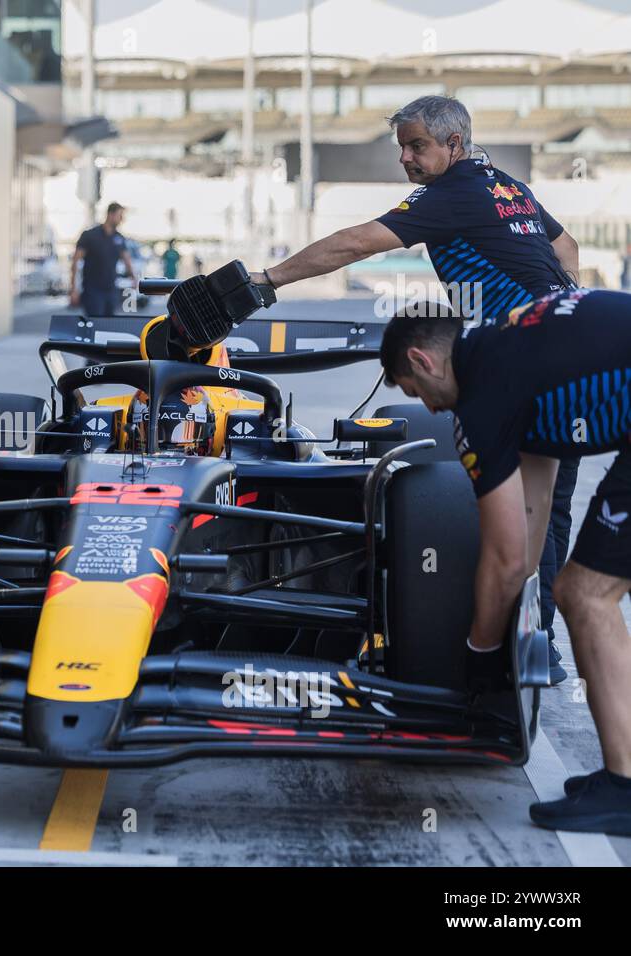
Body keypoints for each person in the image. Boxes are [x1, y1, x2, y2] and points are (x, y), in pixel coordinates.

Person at [240, 95, 580, 684]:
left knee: (522, 512)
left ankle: (520, 646)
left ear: (454, 145)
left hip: (525, 365)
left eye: (416, 145)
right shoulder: (507, 187)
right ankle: (540, 643)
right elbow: (565, 248)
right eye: (402, 146)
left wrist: (266, 279)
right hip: (567, 354)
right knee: (549, 514)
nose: (405, 157)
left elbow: (356, 243)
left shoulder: (450, 193)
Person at [380, 289, 631, 835]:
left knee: (588, 594)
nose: (427, 408)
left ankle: (625, 789)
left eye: (414, 390)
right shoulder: (511, 346)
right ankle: (622, 776)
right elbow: (530, 516)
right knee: (572, 590)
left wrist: (481, 649)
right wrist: (519, 613)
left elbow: (507, 558)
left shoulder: (483, 400)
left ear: (423, 360)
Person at [70, 202, 135, 316]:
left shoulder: (119, 238)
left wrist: (134, 279)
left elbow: (127, 260)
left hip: (111, 289)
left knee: (109, 325)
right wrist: (74, 289)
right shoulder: (90, 235)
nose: (122, 219)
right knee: (94, 323)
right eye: (120, 216)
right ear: (110, 214)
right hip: (92, 290)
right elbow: (75, 262)